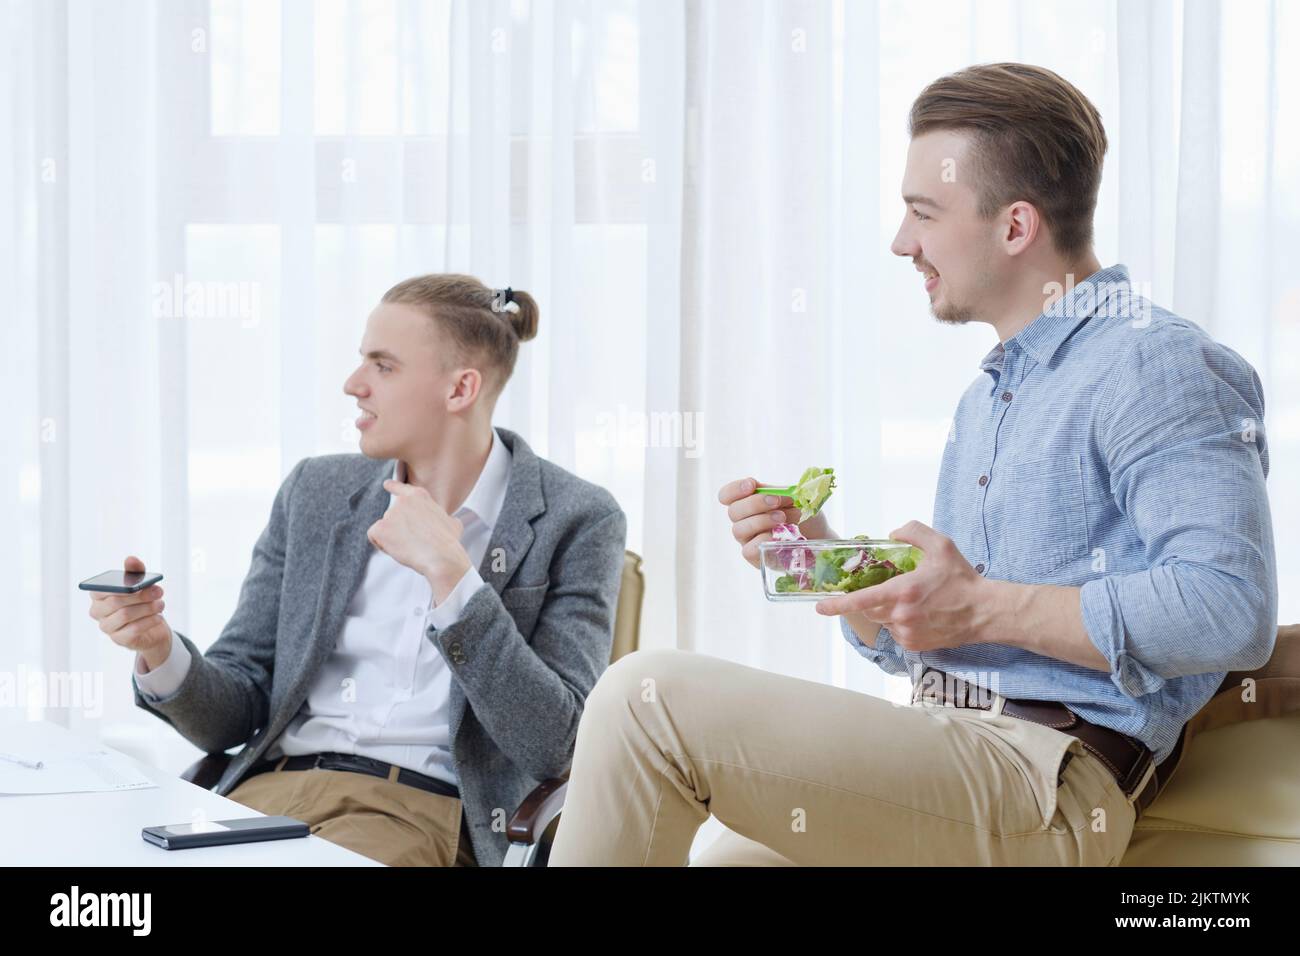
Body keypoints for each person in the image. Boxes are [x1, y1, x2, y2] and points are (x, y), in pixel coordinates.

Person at [547, 63, 1277, 866]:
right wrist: (829, 566)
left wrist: (982, 608)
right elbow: (940, 634)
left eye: (922, 213)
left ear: (1015, 227)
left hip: (1047, 784)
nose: (903, 243)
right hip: (948, 740)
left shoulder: (1154, 364)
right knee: (730, 858)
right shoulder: (991, 396)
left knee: (643, 698)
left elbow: (1229, 606)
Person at [89, 274, 627, 867]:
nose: (353, 384)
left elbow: (555, 743)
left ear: (460, 389)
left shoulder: (577, 518)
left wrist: (453, 577)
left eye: (384, 365)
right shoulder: (316, 492)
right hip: (265, 798)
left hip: (419, 811)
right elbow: (236, 710)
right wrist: (160, 649)